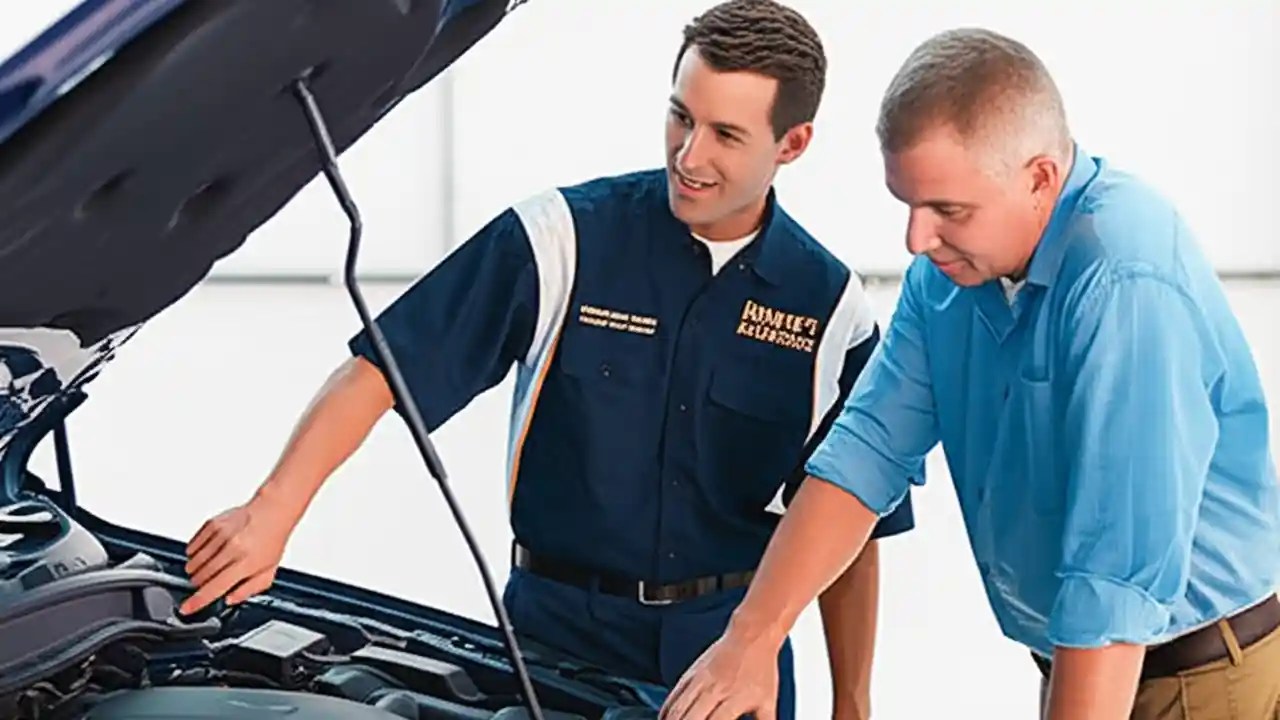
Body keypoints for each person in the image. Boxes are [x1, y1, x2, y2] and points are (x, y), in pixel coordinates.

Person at [177, 2, 916, 718]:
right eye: (680, 116)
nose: (689, 156)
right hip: (554, 641)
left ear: (792, 144)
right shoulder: (560, 239)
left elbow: (853, 521)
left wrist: (853, 704)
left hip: (730, 654)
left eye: (726, 134)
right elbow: (383, 371)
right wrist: (273, 510)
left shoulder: (830, 307)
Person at [658, 26, 1280, 720]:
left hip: (1198, 677)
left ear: (1039, 177)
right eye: (909, 206)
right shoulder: (947, 275)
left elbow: (1114, 579)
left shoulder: (1123, 281)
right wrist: (750, 640)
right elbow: (866, 453)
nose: (916, 241)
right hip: (1082, 658)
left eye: (949, 211)